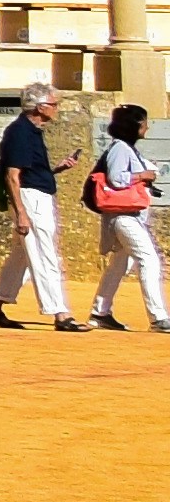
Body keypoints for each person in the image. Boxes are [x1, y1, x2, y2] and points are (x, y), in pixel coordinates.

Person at [0, 92, 74, 331]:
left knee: (21, 256)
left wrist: (54, 170)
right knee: (45, 254)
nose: (56, 108)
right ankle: (60, 313)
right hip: (30, 200)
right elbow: (12, 176)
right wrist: (21, 213)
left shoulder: (28, 131)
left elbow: (26, 173)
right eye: (53, 104)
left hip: (33, 196)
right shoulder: (20, 132)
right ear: (39, 107)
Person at [87, 104, 162, 333]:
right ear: (135, 125)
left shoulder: (124, 148)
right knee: (149, 259)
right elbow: (118, 180)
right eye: (143, 122)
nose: (146, 127)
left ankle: (100, 312)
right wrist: (143, 175)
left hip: (127, 217)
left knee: (120, 265)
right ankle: (158, 317)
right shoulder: (121, 148)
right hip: (124, 217)